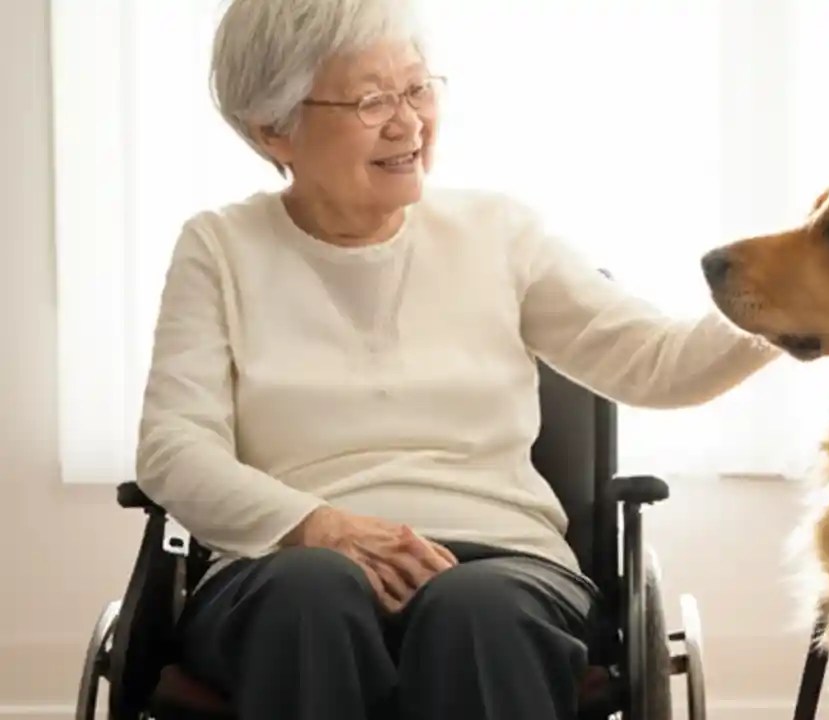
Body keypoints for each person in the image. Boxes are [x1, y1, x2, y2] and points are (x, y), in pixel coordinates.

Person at [133, 0, 780, 719]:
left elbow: (660, 363)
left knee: (476, 610)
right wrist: (316, 525)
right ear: (273, 129)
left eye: (416, 89)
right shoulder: (220, 249)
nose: (408, 123)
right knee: (310, 594)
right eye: (371, 100)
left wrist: (798, 297)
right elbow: (173, 446)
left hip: (501, 563)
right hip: (284, 565)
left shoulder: (498, 233)